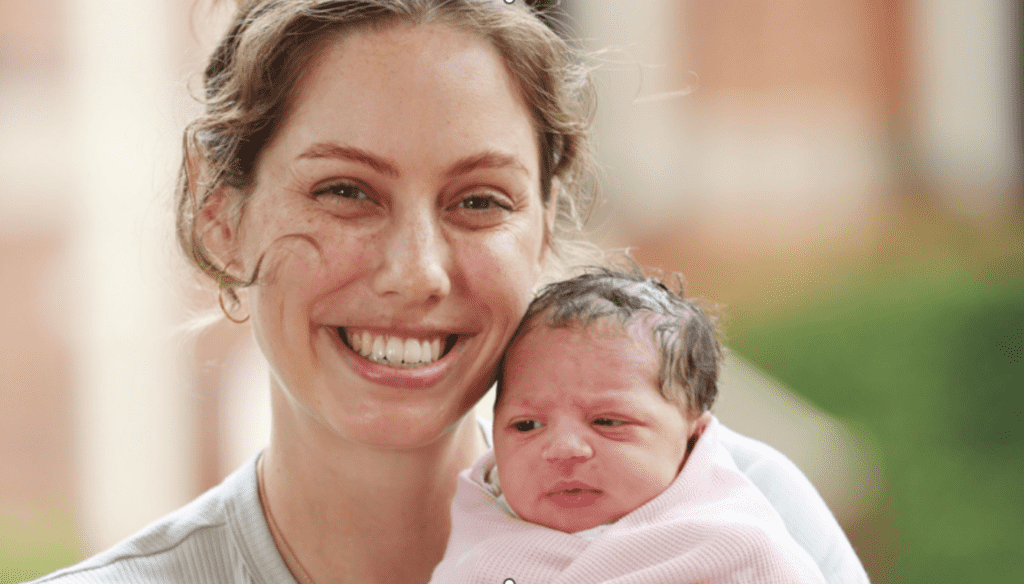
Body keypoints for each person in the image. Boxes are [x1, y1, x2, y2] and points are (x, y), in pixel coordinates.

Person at [32, 1, 868, 583]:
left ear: (544, 229)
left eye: (479, 201)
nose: (417, 271)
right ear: (221, 211)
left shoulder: (739, 518)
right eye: (345, 192)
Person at [432, 267, 827, 583]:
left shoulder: (733, 545)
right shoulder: (482, 536)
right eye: (527, 425)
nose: (564, 448)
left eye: (607, 421)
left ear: (694, 436)